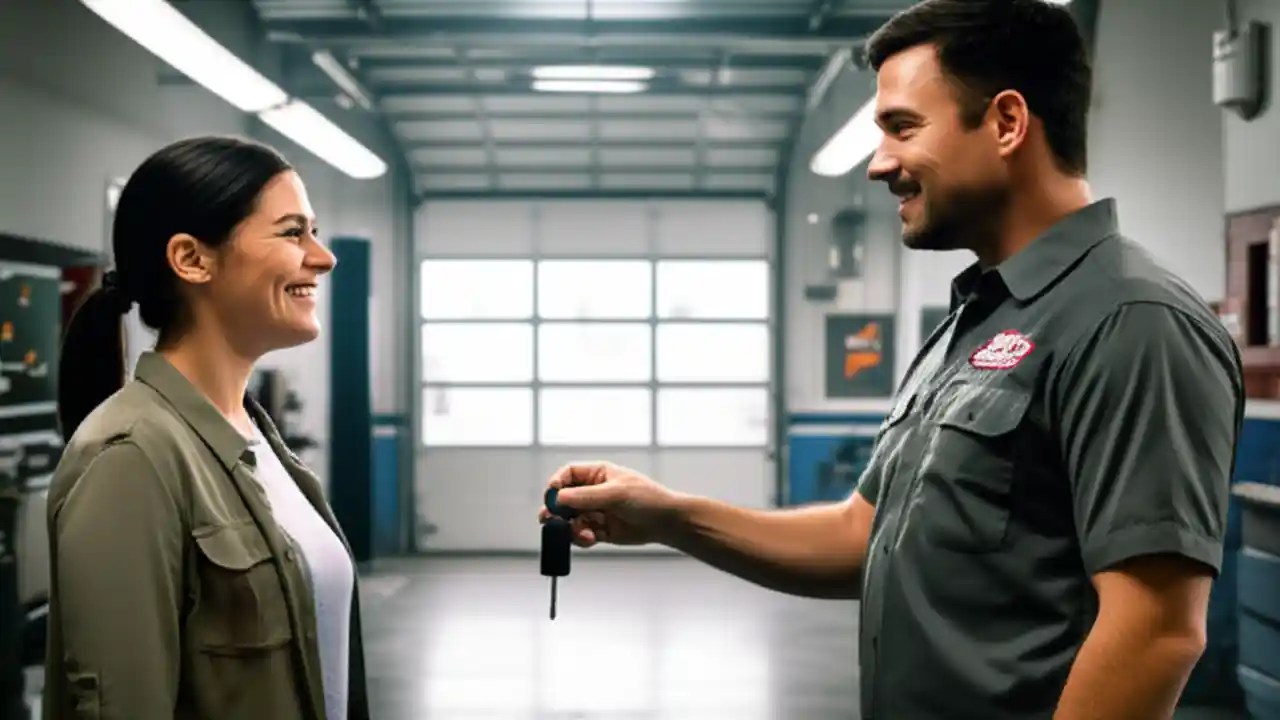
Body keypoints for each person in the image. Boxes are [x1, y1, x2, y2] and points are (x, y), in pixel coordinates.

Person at [540, 1, 1245, 718]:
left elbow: (1155, 631)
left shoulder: (1131, 320)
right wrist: (669, 516)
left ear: (1007, 123)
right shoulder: (974, 323)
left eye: (903, 128)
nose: (879, 164)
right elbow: (862, 534)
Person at [45, 136, 369, 720]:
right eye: (292, 233)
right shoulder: (131, 458)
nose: (323, 257)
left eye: (314, 232)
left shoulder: (260, 443)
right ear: (192, 259)